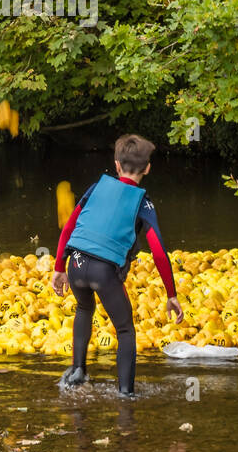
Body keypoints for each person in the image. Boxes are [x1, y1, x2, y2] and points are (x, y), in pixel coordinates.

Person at [52, 134, 182, 398]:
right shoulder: (143, 203)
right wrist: (171, 295)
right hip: (104, 272)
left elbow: (69, 226)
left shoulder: (96, 187)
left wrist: (59, 267)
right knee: (124, 329)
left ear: (117, 164)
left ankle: (78, 371)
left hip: (76, 263)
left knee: (84, 308)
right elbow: (158, 252)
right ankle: (125, 394)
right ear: (147, 168)